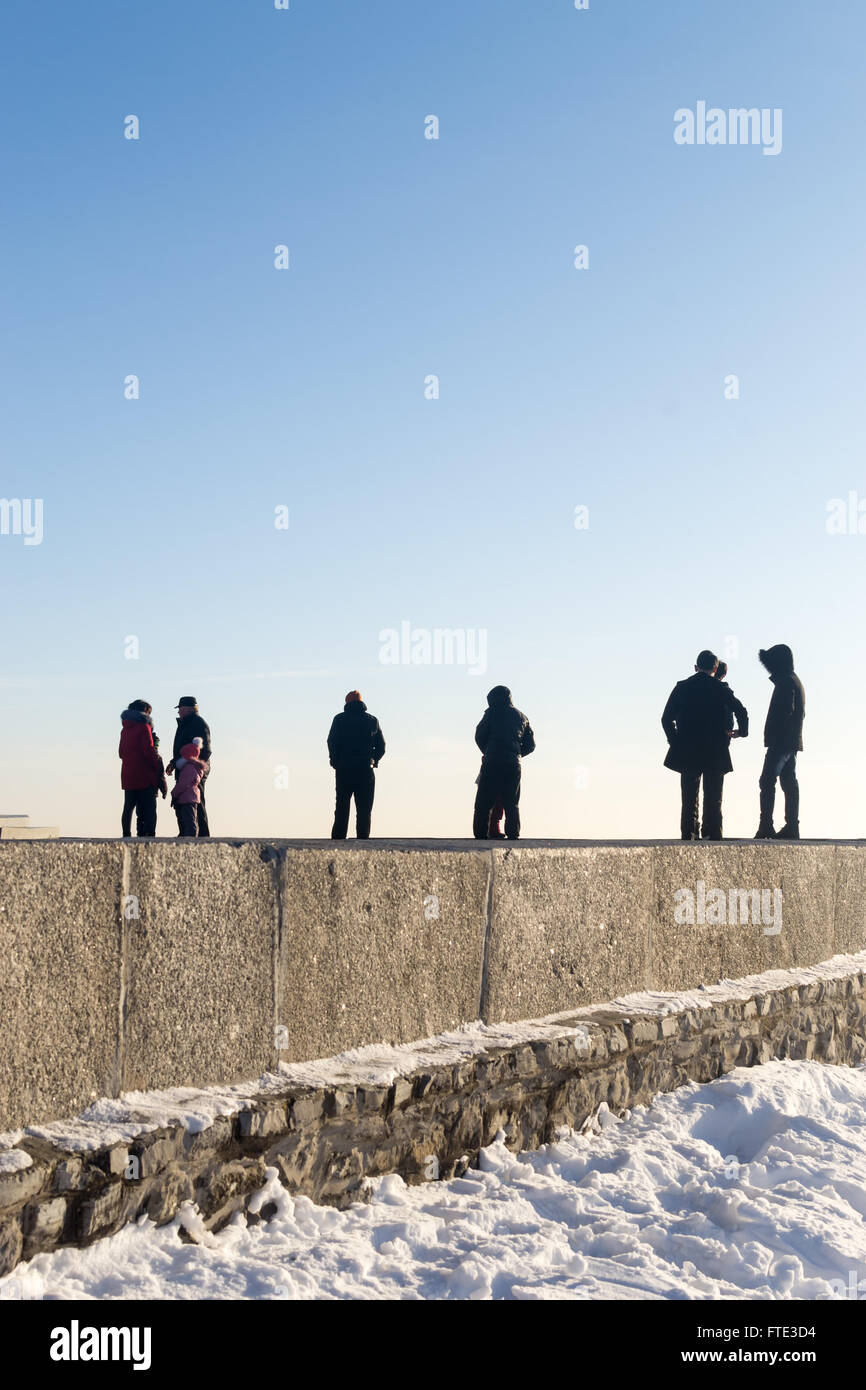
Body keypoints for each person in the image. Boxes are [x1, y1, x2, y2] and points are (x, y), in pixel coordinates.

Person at [661, 650, 738, 840]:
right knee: (714, 798)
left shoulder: (682, 687)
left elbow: (666, 719)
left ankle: (689, 833)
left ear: (696, 667)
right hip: (715, 750)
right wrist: (739, 732)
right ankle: (712, 833)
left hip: (688, 749)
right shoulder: (721, 689)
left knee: (689, 797)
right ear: (715, 668)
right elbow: (739, 712)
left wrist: (676, 742)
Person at [755, 644, 805, 840]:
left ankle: (766, 825)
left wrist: (774, 736)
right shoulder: (794, 681)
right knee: (789, 782)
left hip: (781, 742)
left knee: (767, 780)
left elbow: (785, 710)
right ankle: (792, 825)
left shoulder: (785, 683)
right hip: (790, 741)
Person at [473, 686, 535, 840]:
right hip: (513, 764)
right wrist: (516, 754)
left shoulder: (491, 713)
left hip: (492, 761)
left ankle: (481, 833)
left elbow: (479, 735)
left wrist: (487, 751)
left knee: (484, 801)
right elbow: (531, 745)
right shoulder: (522, 717)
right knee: (511, 801)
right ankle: (513, 833)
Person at [327, 691, 386, 839]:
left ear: (347, 703)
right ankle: (363, 841)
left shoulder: (339, 719)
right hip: (365, 770)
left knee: (342, 807)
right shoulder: (372, 720)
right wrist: (374, 760)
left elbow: (331, 741)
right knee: (364, 810)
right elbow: (382, 746)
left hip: (344, 769)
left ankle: (338, 841)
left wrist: (335, 761)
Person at [118, 700, 167, 837]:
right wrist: (157, 763)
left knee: (129, 806)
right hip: (145, 775)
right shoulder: (144, 727)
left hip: (128, 774)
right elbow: (149, 752)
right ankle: (149, 835)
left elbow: (121, 752)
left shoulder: (124, 729)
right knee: (149, 808)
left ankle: (126, 834)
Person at [166, 698, 212, 836]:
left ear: (188, 708)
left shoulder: (197, 723)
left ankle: (202, 835)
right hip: (185, 768)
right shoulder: (186, 723)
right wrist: (174, 763)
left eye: (180, 708)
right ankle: (186, 833)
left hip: (194, 771)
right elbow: (184, 749)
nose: (179, 711)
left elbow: (205, 750)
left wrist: (196, 768)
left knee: (195, 802)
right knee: (184, 801)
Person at [171, 738, 208, 837]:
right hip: (191, 797)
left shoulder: (189, 768)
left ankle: (190, 839)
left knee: (189, 821)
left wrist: (174, 793)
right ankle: (189, 836)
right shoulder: (194, 767)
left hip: (187, 798)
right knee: (190, 819)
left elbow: (183, 784)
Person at [715, 661, 749, 740]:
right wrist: (742, 731)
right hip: (720, 738)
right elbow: (741, 711)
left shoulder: (693, 688)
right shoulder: (724, 691)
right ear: (723, 675)